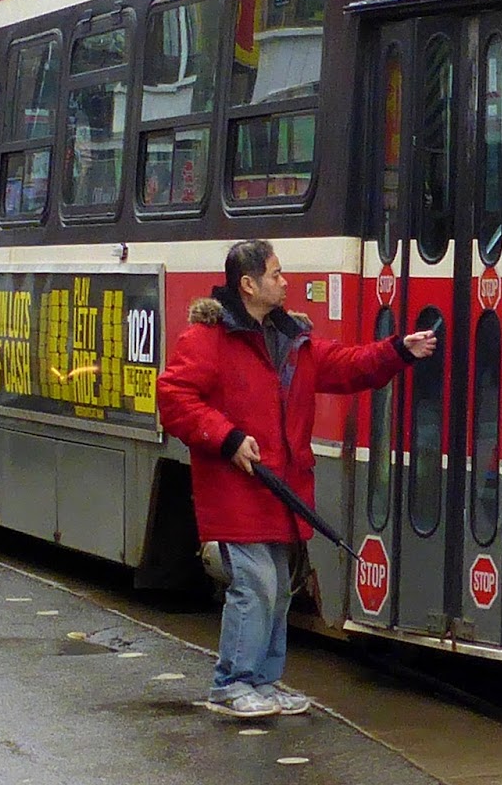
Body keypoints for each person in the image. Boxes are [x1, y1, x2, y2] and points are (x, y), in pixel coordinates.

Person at [156, 238, 436, 719]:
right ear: (248, 285)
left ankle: (261, 683)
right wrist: (228, 438)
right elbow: (175, 398)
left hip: (278, 491)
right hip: (238, 490)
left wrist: (398, 352)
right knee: (257, 586)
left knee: (278, 588)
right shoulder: (207, 339)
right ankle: (233, 684)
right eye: (276, 274)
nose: (286, 283)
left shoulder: (292, 340)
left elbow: (347, 367)